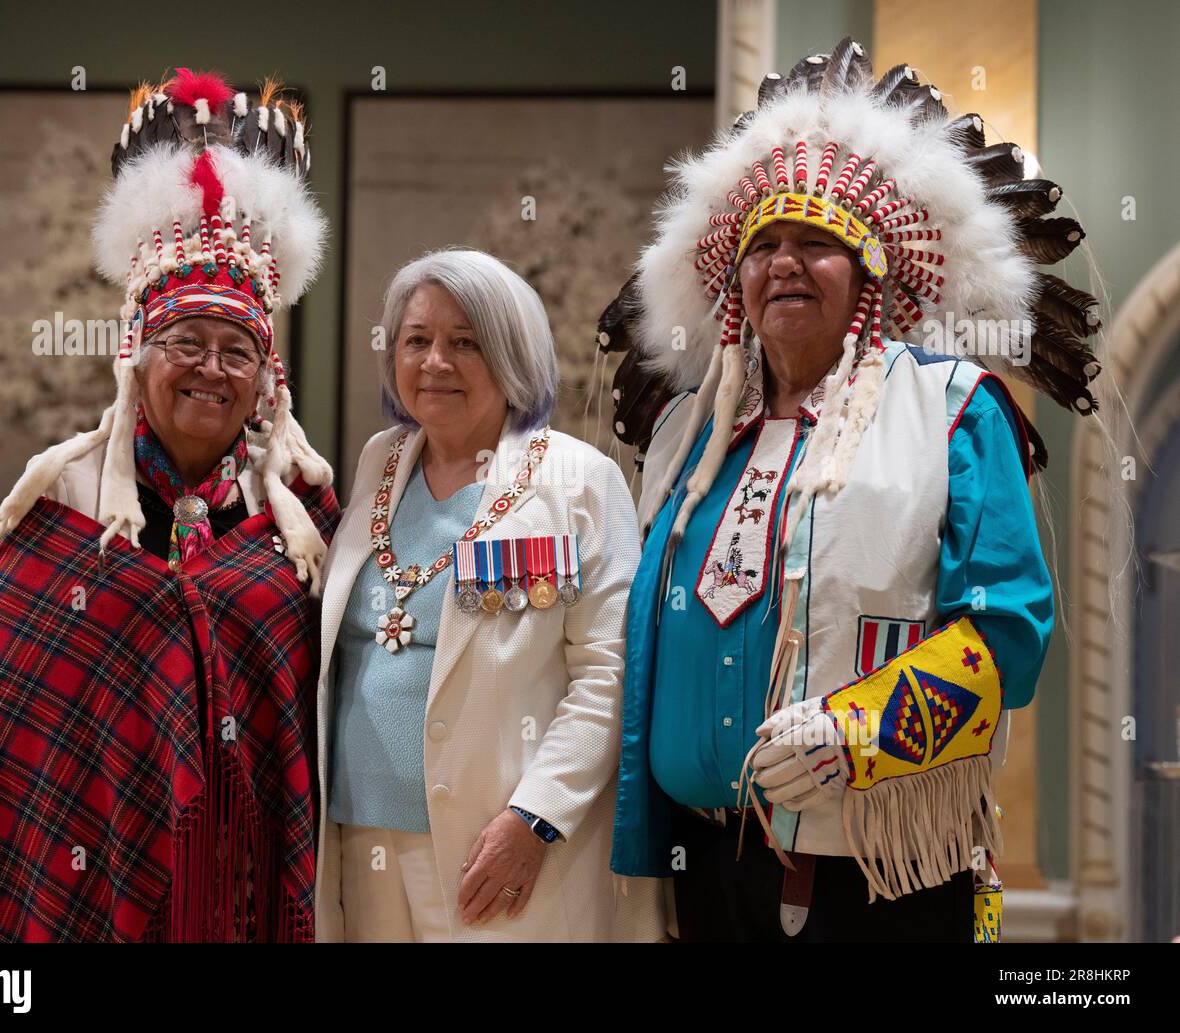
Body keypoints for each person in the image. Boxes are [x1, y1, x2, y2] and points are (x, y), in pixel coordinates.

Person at [601, 38, 1101, 941]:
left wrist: (859, 732)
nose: (783, 263)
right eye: (764, 247)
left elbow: (1008, 635)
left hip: (874, 871)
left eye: (816, 244)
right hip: (703, 864)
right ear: (735, 282)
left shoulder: (951, 410)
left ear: (871, 272)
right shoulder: (688, 433)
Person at [0, 69, 338, 942]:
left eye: (237, 350)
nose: (211, 369)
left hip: (243, 890)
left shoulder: (302, 517)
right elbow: (9, 752)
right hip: (85, 891)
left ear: (268, 377)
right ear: (134, 357)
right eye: (186, 342)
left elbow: (313, 733)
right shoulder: (58, 504)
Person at [315, 249, 664, 941]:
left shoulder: (578, 480)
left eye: (465, 342)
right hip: (360, 836)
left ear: (510, 353)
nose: (435, 362)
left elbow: (609, 673)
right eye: (417, 340)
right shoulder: (381, 460)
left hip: (502, 840)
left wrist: (535, 816)